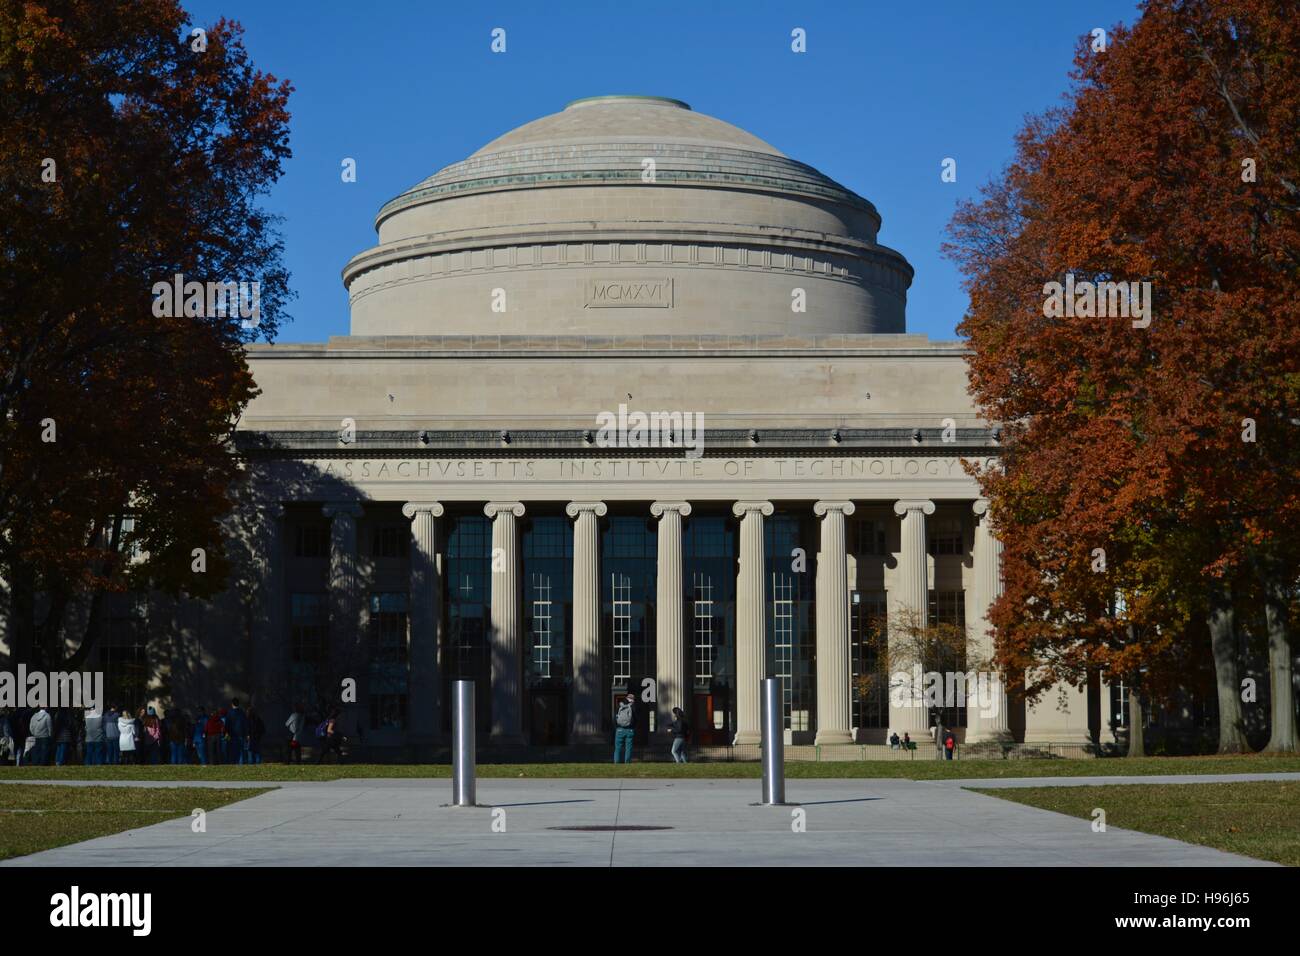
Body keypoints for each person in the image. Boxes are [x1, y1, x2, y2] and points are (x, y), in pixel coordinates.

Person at [613, 692, 636, 764]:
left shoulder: (620, 706)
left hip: (619, 729)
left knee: (618, 747)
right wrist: (634, 726)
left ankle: (616, 762)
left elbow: (615, 718)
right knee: (628, 747)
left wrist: (616, 727)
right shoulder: (633, 706)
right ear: (632, 700)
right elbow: (636, 718)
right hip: (630, 729)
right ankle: (627, 762)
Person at [225, 698, 249, 765]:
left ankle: (234, 763)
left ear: (232, 704)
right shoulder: (242, 712)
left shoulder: (230, 713)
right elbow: (245, 724)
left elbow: (227, 724)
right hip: (241, 734)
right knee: (241, 751)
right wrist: (247, 734)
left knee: (234, 751)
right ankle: (240, 764)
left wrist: (227, 732)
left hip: (233, 735)